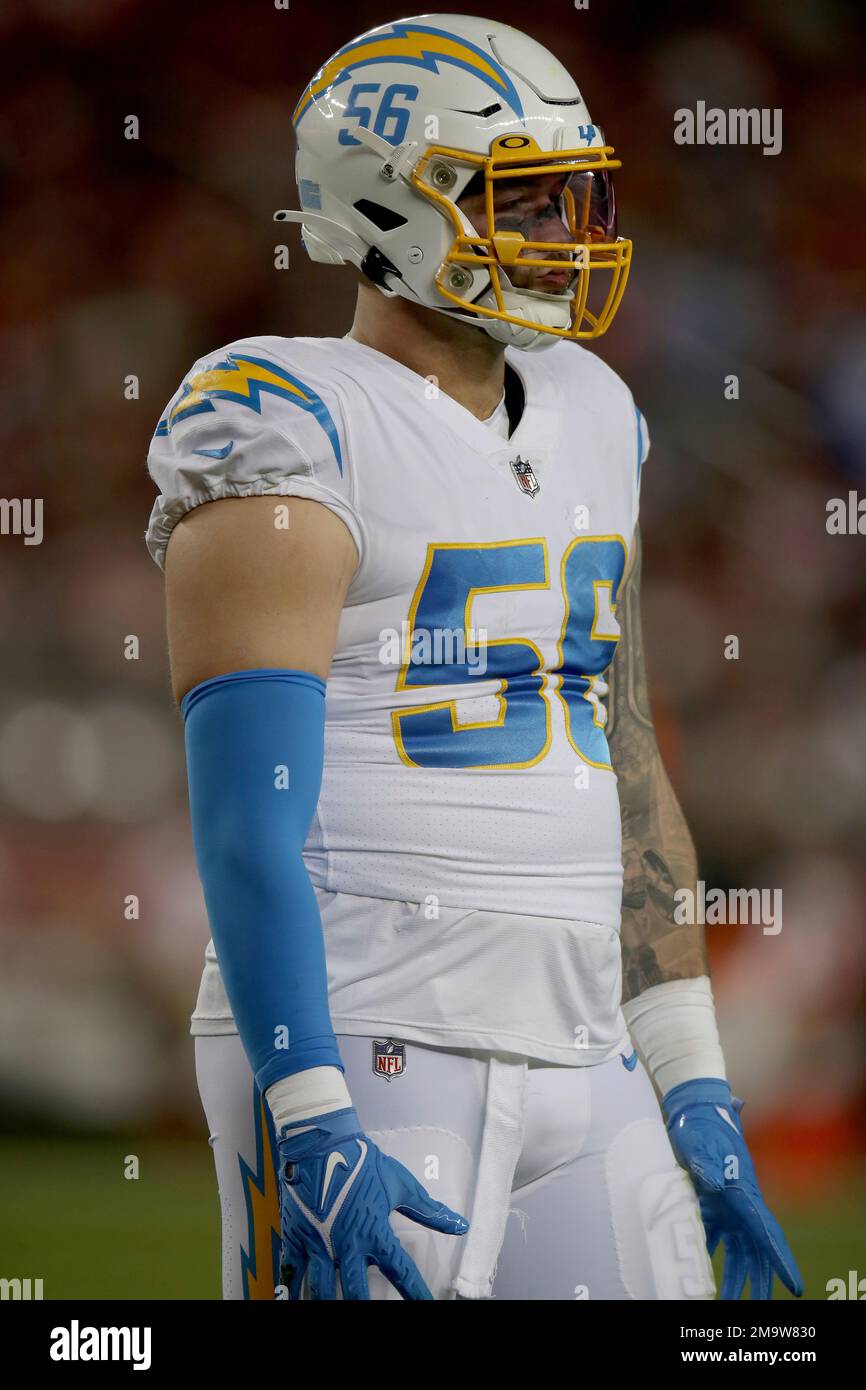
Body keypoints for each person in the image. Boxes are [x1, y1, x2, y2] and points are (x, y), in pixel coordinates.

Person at [145, 13, 802, 1301]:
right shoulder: (285, 420)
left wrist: (693, 1067)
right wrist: (311, 1103)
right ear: (392, 210)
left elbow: (623, 760)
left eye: (572, 194)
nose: (567, 230)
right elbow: (240, 828)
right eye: (524, 197)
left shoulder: (595, 410)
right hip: (371, 1033)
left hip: (580, 1039)